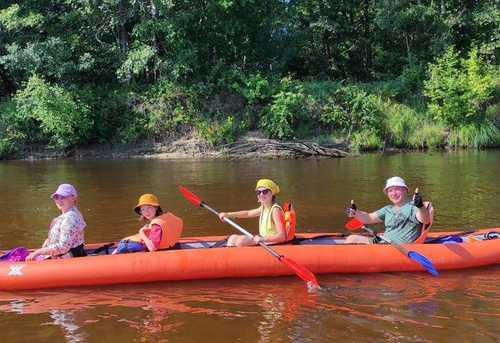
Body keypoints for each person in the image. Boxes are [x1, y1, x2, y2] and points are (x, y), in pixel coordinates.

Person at [345, 176, 430, 244]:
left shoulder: (413, 207)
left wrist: (420, 206)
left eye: (397, 189)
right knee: (351, 238)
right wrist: (356, 212)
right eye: (390, 191)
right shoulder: (388, 209)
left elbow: (425, 220)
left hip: (396, 249)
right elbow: (368, 218)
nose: (394, 193)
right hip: (382, 242)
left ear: (405, 190)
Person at [218, 179, 288, 247]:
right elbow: (248, 213)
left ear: (272, 193)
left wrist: (262, 239)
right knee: (232, 238)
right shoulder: (263, 208)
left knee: (241, 241)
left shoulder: (275, 210)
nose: (261, 194)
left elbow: (282, 236)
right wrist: (228, 214)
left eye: (265, 191)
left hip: (271, 242)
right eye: (258, 192)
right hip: (264, 239)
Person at [25, 184, 87, 261]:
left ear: (73, 198)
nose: (59, 201)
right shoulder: (71, 212)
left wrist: (38, 252)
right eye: (56, 197)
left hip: (68, 260)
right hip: (63, 255)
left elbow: (63, 247)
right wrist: (48, 242)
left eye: (63, 197)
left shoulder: (70, 218)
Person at [112, 193, 183, 254]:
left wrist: (141, 232)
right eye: (143, 209)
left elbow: (152, 248)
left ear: (156, 208)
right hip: (174, 247)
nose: (146, 212)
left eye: (149, 208)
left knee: (124, 245)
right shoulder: (167, 216)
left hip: (163, 253)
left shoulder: (156, 225)